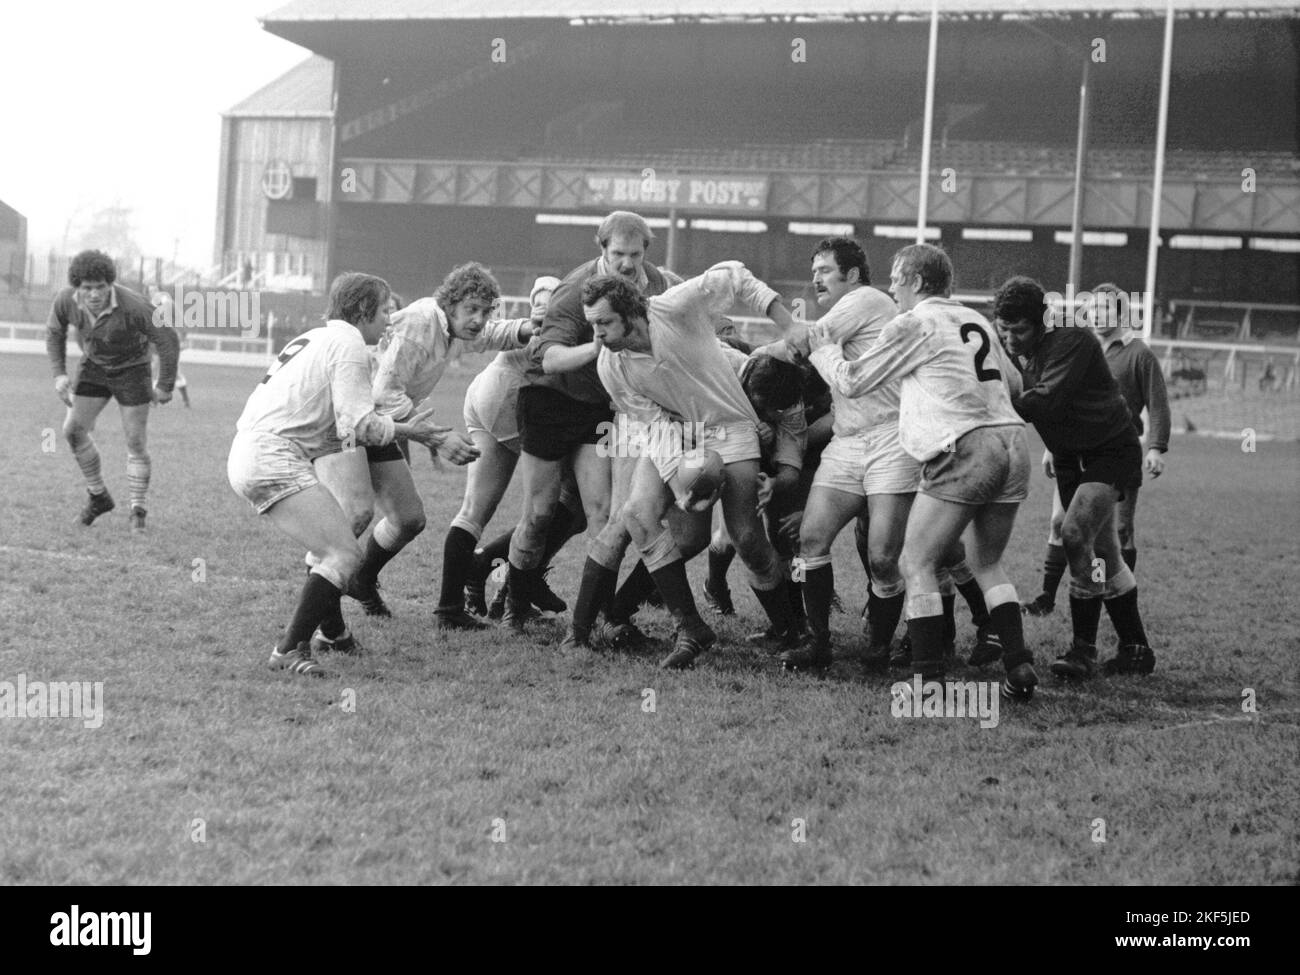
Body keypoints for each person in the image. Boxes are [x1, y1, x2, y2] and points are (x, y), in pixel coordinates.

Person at [808, 244, 1038, 699]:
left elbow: (853, 380)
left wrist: (824, 351)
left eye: (896, 278)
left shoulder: (913, 321)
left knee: (916, 561)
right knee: (986, 563)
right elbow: (1014, 384)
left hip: (966, 445)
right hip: (1013, 442)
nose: (891, 287)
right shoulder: (973, 320)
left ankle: (928, 679)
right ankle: (1018, 664)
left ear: (915, 282)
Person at [582, 262, 804, 669]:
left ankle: (793, 633)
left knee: (746, 539)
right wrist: (680, 482)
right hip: (678, 436)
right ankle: (689, 627)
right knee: (638, 514)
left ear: (630, 313)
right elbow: (652, 423)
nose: (596, 335)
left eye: (603, 323)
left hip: (731, 426)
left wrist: (787, 324)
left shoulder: (673, 308)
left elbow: (734, 273)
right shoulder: (610, 365)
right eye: (591, 325)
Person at [226, 272, 444, 677]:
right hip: (273, 456)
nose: (390, 320)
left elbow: (334, 426)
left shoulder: (320, 336)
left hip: (253, 451)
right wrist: (412, 430)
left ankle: (332, 632)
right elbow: (359, 424)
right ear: (363, 310)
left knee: (338, 540)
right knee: (343, 553)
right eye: (384, 310)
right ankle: (289, 649)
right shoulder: (348, 345)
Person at [313, 263, 528, 624]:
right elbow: (383, 392)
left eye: (485, 311)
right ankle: (321, 617)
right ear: (451, 303)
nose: (478, 319)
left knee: (409, 519)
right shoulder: (419, 324)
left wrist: (526, 329)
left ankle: (362, 580)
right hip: (348, 421)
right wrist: (435, 436)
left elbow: (487, 336)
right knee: (355, 514)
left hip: (379, 420)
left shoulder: (450, 325)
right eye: (472, 309)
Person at [503, 211, 677, 631]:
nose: (627, 264)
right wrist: (597, 348)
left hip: (598, 410)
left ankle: (599, 617)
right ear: (602, 249)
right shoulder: (574, 289)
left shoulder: (655, 281)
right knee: (540, 515)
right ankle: (514, 602)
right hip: (548, 399)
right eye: (618, 253)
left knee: (602, 514)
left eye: (634, 254)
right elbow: (547, 356)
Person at [994, 276, 1156, 678]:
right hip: (1070, 458)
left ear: (1042, 322)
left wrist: (989, 412)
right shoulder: (1011, 351)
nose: (1011, 339)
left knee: (1073, 534)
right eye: (1004, 329)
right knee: (1105, 553)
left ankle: (1083, 650)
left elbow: (1047, 399)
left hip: (1109, 449)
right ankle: (1136, 648)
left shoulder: (1072, 340)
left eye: (1020, 330)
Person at [435, 276, 586, 631]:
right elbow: (545, 301)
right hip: (510, 396)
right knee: (566, 502)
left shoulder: (556, 297)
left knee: (475, 511)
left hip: (487, 391)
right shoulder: (561, 301)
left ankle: (451, 605)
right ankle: (513, 577)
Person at [1023, 283, 1170, 616]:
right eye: (1093, 309)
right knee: (1061, 522)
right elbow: (1057, 398)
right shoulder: (1076, 347)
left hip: (1116, 452)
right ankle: (1046, 597)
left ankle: (1109, 594)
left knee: (1117, 532)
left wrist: (1156, 448)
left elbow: (1158, 403)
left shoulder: (1138, 353)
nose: (1098, 315)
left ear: (1121, 313)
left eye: (1106, 309)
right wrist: (1051, 445)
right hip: (1072, 451)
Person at [47, 249, 180, 532]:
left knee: (134, 442)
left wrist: (165, 385)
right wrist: (59, 374)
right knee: (72, 431)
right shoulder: (64, 300)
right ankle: (98, 497)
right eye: (87, 288)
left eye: (100, 287)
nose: (94, 294)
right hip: (93, 367)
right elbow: (55, 332)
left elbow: (167, 339)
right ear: (77, 288)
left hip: (132, 370)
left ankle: (138, 511)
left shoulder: (134, 305)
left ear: (110, 284)